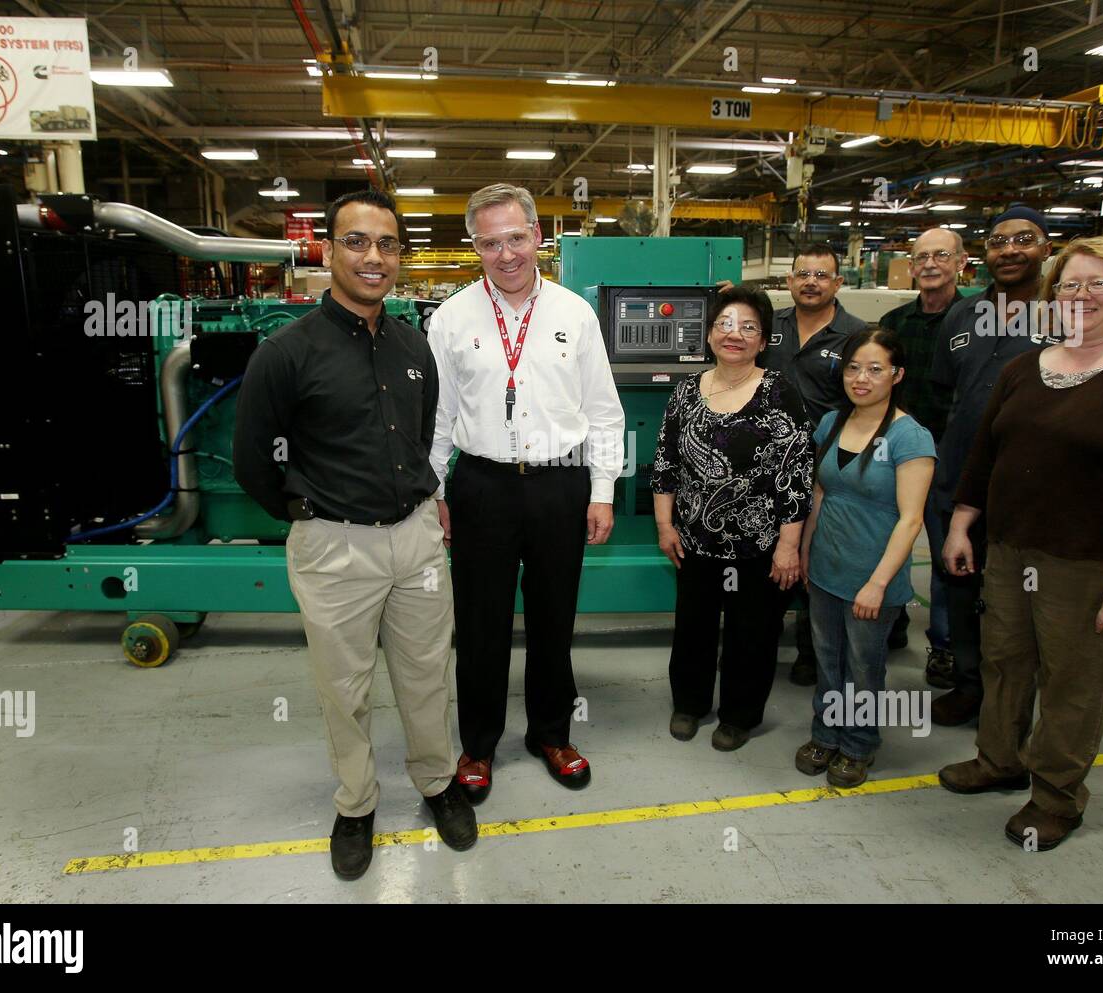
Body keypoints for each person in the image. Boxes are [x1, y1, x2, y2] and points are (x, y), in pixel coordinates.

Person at [232, 189, 476, 881]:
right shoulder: (286, 353)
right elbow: (255, 462)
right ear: (329, 250)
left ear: (401, 254)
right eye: (358, 242)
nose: (375, 258)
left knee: (428, 674)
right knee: (345, 685)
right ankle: (357, 801)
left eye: (388, 244)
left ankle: (437, 781)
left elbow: (426, 432)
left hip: (418, 536)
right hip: (335, 544)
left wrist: (425, 507)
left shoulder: (412, 347)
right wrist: (310, 514)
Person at [938, 237, 1103, 851]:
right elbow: (985, 456)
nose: (1080, 297)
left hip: (1090, 563)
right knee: (1005, 661)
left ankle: (1056, 798)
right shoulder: (1024, 369)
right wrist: (962, 523)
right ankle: (999, 759)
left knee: (1073, 682)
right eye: (1069, 285)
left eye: (1099, 284)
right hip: (1008, 551)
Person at [428, 184, 625, 805]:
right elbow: (437, 415)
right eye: (490, 242)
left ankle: (551, 734)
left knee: (552, 619)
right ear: (476, 248)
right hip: (481, 484)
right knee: (479, 623)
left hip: (558, 485)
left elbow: (603, 412)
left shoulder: (575, 314)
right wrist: (436, 489)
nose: (506, 253)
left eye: (516, 237)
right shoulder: (453, 318)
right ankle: (478, 744)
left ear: (539, 236)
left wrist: (601, 490)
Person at [651, 285, 813, 751]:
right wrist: (665, 525)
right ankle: (690, 703)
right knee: (693, 628)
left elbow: (796, 475)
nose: (734, 334)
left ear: (763, 341)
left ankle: (739, 715)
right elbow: (664, 462)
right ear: (708, 334)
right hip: (695, 540)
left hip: (759, 546)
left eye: (747, 327)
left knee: (752, 634)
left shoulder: (780, 393)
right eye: (724, 324)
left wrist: (788, 546)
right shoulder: (686, 390)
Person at [926, 205, 1055, 727]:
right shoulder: (962, 314)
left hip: (1032, 489)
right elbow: (940, 396)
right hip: (959, 479)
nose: (1009, 250)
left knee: (1020, 599)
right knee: (960, 584)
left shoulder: (1067, 317)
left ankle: (1013, 704)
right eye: (999, 241)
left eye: (1023, 239)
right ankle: (969, 683)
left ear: (1046, 248)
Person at [794, 328, 935, 789]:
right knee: (827, 658)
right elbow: (819, 493)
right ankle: (825, 733)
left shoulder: (910, 437)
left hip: (874, 575)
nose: (862, 378)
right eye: (854, 367)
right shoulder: (831, 423)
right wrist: (805, 551)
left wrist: (876, 584)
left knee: (863, 666)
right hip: (827, 568)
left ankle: (857, 744)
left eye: (876, 369)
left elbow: (911, 520)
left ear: (897, 375)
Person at [764, 243, 868, 687]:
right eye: (803, 273)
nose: (811, 282)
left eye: (822, 275)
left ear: (838, 283)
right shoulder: (770, 326)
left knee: (816, 555)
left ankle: (810, 649)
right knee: (770, 552)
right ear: (789, 281)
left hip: (825, 465)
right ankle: (762, 641)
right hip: (766, 465)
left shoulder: (855, 335)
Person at [878, 228, 967, 688]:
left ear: (961, 262)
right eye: (921, 257)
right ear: (911, 267)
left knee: (943, 554)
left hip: (953, 461)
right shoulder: (895, 323)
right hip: (896, 457)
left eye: (941, 256)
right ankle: (890, 621)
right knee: (883, 539)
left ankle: (945, 646)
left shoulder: (977, 319)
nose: (930, 264)